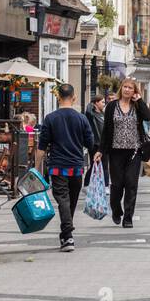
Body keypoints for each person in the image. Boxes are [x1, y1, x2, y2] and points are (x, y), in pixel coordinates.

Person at [36, 83, 101, 251]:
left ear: (58, 97)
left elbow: (42, 147)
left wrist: (36, 168)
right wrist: (96, 153)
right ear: (73, 97)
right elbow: (90, 142)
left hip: (57, 166)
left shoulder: (50, 118)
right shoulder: (82, 118)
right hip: (76, 166)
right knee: (70, 201)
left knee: (62, 200)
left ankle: (67, 235)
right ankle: (67, 235)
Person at [99, 77, 150, 228]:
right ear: (121, 89)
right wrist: (101, 151)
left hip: (134, 151)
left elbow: (148, 116)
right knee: (116, 185)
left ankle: (128, 217)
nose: (127, 90)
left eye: (131, 88)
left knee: (131, 184)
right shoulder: (111, 106)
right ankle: (116, 210)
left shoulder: (137, 106)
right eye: (125, 87)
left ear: (134, 91)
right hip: (115, 151)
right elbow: (106, 130)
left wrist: (140, 100)